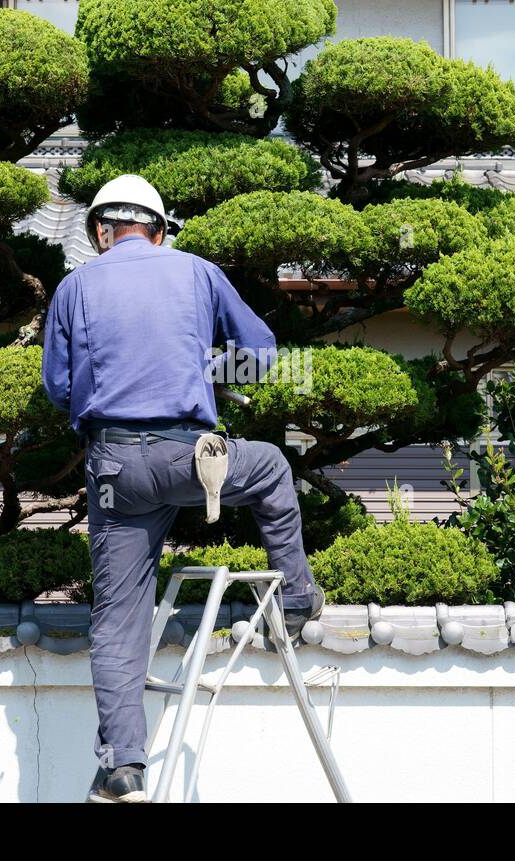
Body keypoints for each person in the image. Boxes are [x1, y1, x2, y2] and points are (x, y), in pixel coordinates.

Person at [42, 174, 325, 803]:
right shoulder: (197, 272)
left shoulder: (74, 287)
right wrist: (204, 364)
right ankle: (298, 599)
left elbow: (60, 388)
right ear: (161, 229)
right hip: (192, 459)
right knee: (274, 467)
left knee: (118, 617)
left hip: (114, 470)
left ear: (100, 231)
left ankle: (123, 766)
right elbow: (263, 352)